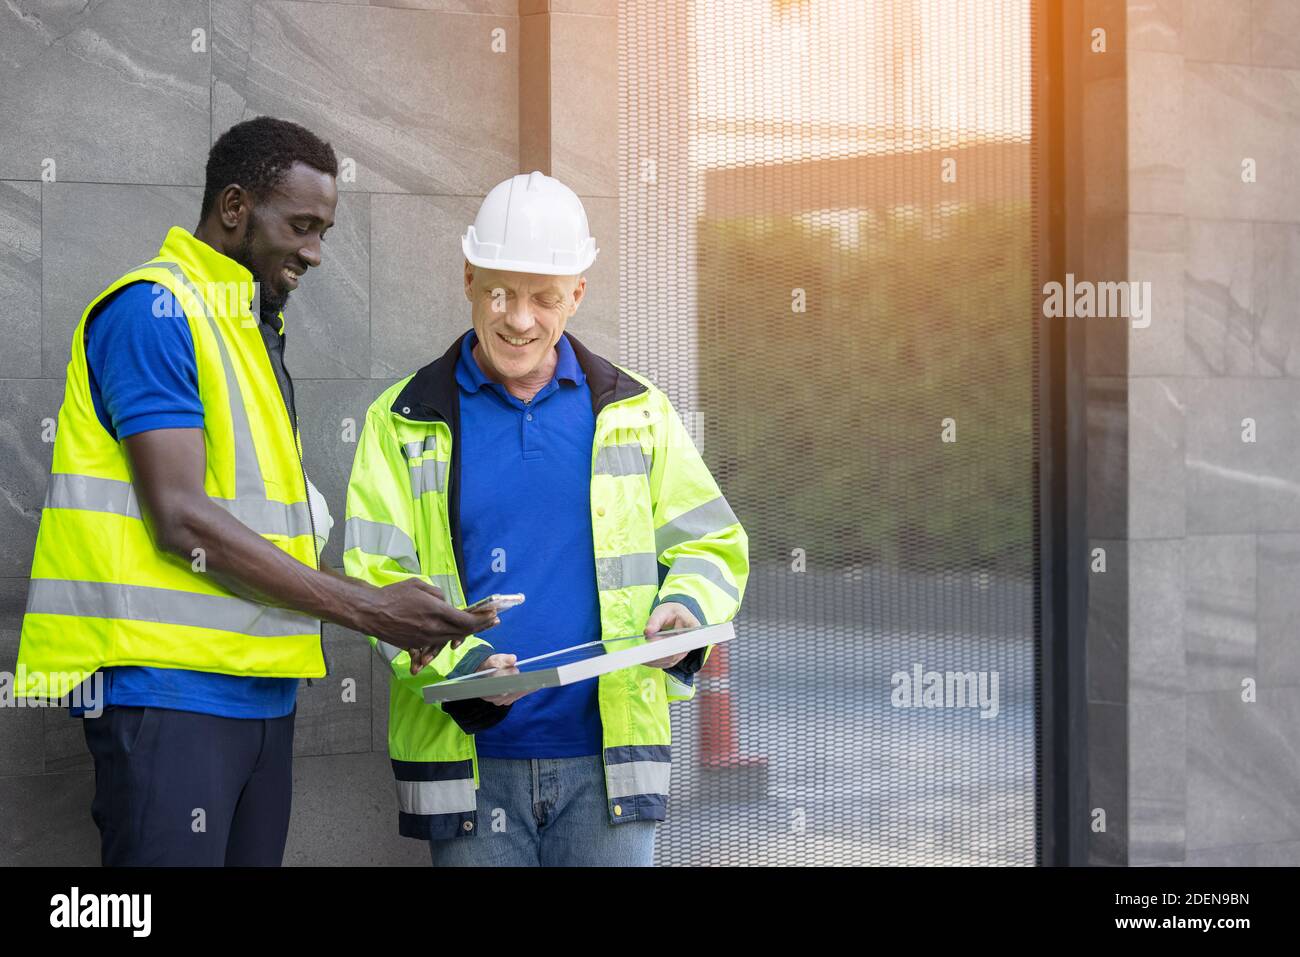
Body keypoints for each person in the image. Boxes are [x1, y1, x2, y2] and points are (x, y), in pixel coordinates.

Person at [13, 116, 497, 866]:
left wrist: (387, 602)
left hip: (262, 693)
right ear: (235, 206)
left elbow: (260, 532)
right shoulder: (154, 311)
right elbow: (182, 520)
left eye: (324, 232)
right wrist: (370, 609)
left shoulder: (250, 331)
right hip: (169, 692)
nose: (315, 251)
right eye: (301, 226)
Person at [344, 170, 749, 866]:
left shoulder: (636, 412)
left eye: (545, 297)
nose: (520, 319)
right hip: (470, 766)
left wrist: (686, 609)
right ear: (469, 279)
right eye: (501, 292)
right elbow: (377, 579)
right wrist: (467, 667)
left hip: (609, 766)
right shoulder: (401, 421)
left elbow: (711, 541)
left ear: (577, 295)